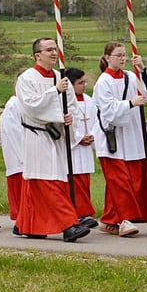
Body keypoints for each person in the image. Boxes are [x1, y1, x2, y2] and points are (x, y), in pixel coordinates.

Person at [14, 38, 90, 242]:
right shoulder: (27, 79)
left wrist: (68, 118)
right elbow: (32, 106)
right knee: (47, 181)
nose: (54, 53)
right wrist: (55, 94)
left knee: (46, 180)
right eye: (48, 50)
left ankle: (29, 224)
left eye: (55, 49)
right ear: (37, 55)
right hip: (37, 135)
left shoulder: (60, 76)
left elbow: (71, 103)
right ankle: (69, 225)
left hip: (56, 135)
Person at [93, 41, 147, 237]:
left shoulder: (130, 76)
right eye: (118, 55)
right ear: (107, 58)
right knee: (120, 181)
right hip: (114, 137)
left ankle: (111, 219)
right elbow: (109, 111)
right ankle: (125, 220)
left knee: (134, 178)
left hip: (133, 135)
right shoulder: (103, 82)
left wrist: (142, 69)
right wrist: (130, 103)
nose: (123, 58)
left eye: (124, 55)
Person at [66, 68, 101, 229]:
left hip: (86, 147)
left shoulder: (88, 100)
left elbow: (95, 120)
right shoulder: (65, 101)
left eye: (84, 82)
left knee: (85, 182)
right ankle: (80, 214)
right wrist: (79, 138)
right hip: (73, 148)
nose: (84, 85)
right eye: (80, 83)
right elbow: (65, 124)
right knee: (75, 183)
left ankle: (84, 213)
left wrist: (92, 135)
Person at [0, 94, 24, 228]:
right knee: (19, 186)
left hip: (29, 153)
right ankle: (20, 220)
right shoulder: (13, 104)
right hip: (18, 154)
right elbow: (14, 131)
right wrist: (24, 155)